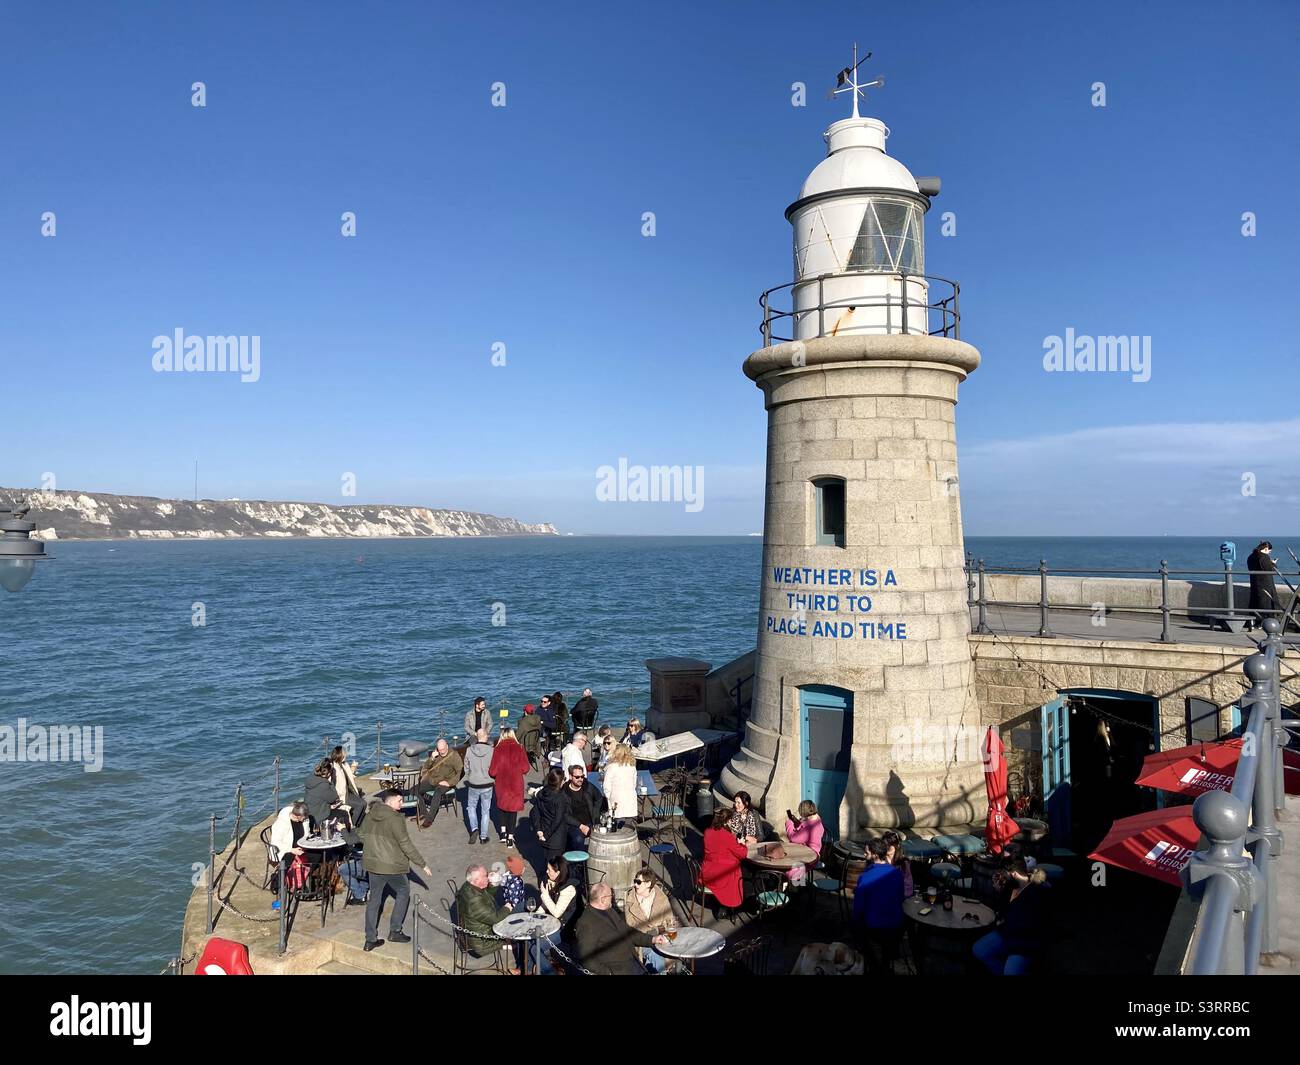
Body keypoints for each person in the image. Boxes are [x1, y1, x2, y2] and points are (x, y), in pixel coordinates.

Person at [357, 789, 434, 952]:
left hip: (372, 863)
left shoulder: (371, 814)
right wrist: (422, 864)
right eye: (400, 800)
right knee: (403, 891)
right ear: (390, 802)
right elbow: (405, 844)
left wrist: (376, 846)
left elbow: (361, 835)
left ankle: (370, 940)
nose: (402, 803)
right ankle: (395, 931)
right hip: (392, 865)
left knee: (374, 900)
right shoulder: (396, 819)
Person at [973, 859, 1050, 975]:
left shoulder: (1035, 891)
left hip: (1024, 942)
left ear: (1014, 874)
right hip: (1007, 934)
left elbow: (1031, 924)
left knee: (1011, 972)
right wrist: (999, 892)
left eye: (1005, 875)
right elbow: (1004, 911)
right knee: (979, 950)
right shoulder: (1011, 887)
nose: (1003, 878)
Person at [575, 882, 666, 975]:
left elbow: (627, 931)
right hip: (618, 970)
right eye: (611, 895)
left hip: (633, 963)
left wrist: (652, 939)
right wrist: (608, 973)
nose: (613, 898)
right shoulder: (586, 923)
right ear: (603, 899)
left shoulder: (609, 910)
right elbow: (586, 958)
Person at [851, 837, 904, 974]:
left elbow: (858, 909)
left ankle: (871, 964)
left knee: (857, 928)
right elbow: (900, 898)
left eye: (866, 853)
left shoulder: (865, 877)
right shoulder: (897, 873)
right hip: (895, 926)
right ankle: (885, 965)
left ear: (874, 855)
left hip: (875, 927)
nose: (864, 855)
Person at [455, 863, 519, 975]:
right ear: (476, 880)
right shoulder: (474, 900)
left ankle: (509, 944)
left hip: (476, 929)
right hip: (482, 941)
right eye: (485, 875)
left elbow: (486, 895)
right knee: (517, 931)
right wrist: (508, 906)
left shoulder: (469, 886)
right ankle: (510, 948)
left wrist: (493, 884)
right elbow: (495, 918)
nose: (488, 876)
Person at [623, 867, 675, 974]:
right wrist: (650, 931)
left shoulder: (661, 898)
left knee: (675, 952)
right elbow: (630, 925)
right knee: (656, 959)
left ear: (648, 884)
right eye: (635, 881)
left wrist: (661, 932)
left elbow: (670, 920)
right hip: (641, 940)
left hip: (661, 936)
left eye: (638, 882)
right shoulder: (630, 900)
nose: (635, 885)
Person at [700, 805, 748, 919]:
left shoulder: (707, 832)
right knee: (736, 874)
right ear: (727, 821)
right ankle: (726, 908)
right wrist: (741, 843)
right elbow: (742, 854)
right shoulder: (727, 836)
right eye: (731, 820)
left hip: (707, 871)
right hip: (721, 875)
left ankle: (718, 903)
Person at [489, 726, 530, 847]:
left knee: (502, 807)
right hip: (516, 783)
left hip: (502, 783)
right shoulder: (520, 748)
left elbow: (492, 772)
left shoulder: (497, 749)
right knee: (513, 810)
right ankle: (510, 837)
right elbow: (525, 768)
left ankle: (502, 833)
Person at [416, 738, 462, 828]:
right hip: (433, 779)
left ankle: (429, 819)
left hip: (446, 781)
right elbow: (426, 766)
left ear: (447, 746)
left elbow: (459, 772)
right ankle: (423, 812)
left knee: (437, 793)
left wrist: (449, 783)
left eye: (443, 749)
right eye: (439, 750)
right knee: (416, 790)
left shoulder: (454, 756)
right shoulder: (436, 754)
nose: (441, 752)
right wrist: (432, 758)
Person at [462, 728, 495, 845]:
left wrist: (470, 774)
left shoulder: (469, 750)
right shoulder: (491, 750)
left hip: (474, 783)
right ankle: (483, 836)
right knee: (485, 811)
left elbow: (466, 767)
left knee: (471, 807)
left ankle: (474, 828)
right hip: (487, 783)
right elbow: (494, 768)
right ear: (485, 736)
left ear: (476, 737)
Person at [562, 762, 605, 852]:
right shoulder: (564, 792)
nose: (580, 779)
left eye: (582, 776)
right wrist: (580, 826)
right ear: (570, 777)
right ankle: (578, 863)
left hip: (589, 821)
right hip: (573, 824)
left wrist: (595, 813)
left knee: (604, 833)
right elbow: (564, 815)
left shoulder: (587, 786)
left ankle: (597, 861)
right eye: (577, 777)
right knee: (578, 839)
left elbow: (599, 798)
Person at [604, 742, 640, 825]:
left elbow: (606, 785)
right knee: (628, 823)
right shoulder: (632, 767)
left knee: (616, 821)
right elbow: (634, 783)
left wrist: (609, 796)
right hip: (630, 797)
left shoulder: (612, 767)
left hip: (616, 798)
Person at [330, 746, 366, 827]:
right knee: (360, 804)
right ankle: (351, 826)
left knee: (363, 804)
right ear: (339, 755)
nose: (346, 756)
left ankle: (357, 824)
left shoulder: (344, 764)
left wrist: (353, 769)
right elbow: (330, 783)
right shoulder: (333, 767)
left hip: (348, 792)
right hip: (340, 796)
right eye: (344, 754)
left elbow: (347, 777)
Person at [305, 759, 346, 830]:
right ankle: (345, 833)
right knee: (344, 814)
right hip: (319, 815)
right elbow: (334, 798)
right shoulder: (324, 784)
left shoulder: (311, 779)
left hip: (310, 812)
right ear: (329, 773)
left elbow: (321, 797)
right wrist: (331, 782)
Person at [1247, 541, 1280, 620]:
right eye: (1269, 551)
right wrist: (1273, 563)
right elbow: (1270, 569)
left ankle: (1255, 621)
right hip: (1266, 584)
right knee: (1266, 604)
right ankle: (1267, 622)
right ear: (1266, 549)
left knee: (1256, 602)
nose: (1269, 553)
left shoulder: (1251, 556)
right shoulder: (1264, 557)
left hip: (1255, 583)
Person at [881, 829, 914, 898]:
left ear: (897, 845)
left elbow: (908, 886)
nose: (886, 848)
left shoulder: (904, 863)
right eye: (884, 845)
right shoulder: (880, 861)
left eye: (889, 845)